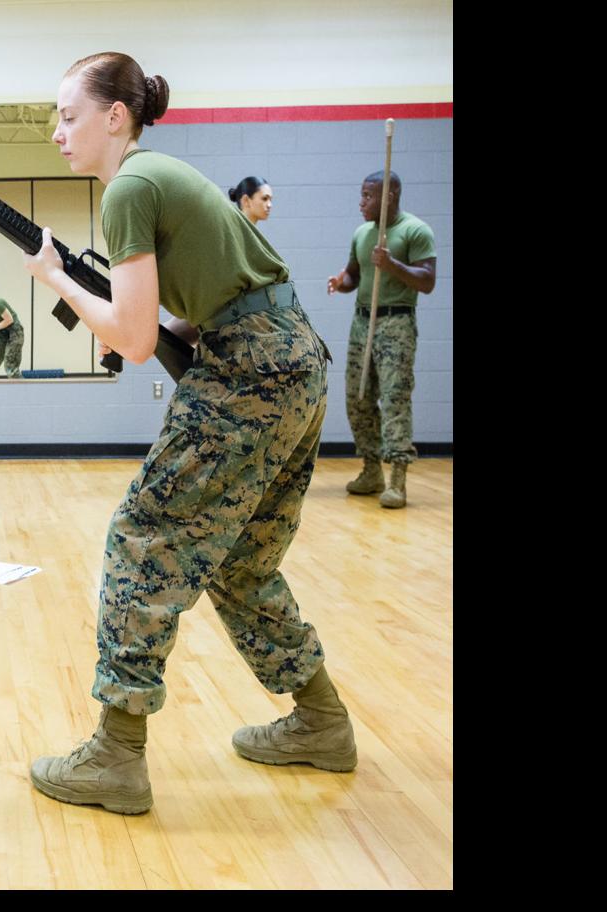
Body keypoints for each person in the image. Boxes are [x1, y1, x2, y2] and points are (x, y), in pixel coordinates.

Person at [22, 51, 353, 815]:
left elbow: (134, 341)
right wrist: (127, 314)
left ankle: (116, 753)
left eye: (69, 117)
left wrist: (56, 278)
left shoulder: (129, 186)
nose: (57, 133)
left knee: (144, 535)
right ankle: (322, 720)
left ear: (115, 117)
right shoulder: (159, 175)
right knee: (239, 561)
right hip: (290, 361)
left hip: (246, 372)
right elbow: (177, 315)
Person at [326, 171, 437, 508]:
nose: (362, 202)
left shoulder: (416, 231)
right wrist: (340, 281)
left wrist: (391, 264)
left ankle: (397, 480)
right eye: (361, 195)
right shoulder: (362, 233)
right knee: (357, 397)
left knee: (393, 399)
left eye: (368, 196)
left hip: (396, 323)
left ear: (389, 196)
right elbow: (354, 276)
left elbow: (427, 281)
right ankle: (371, 470)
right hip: (362, 323)